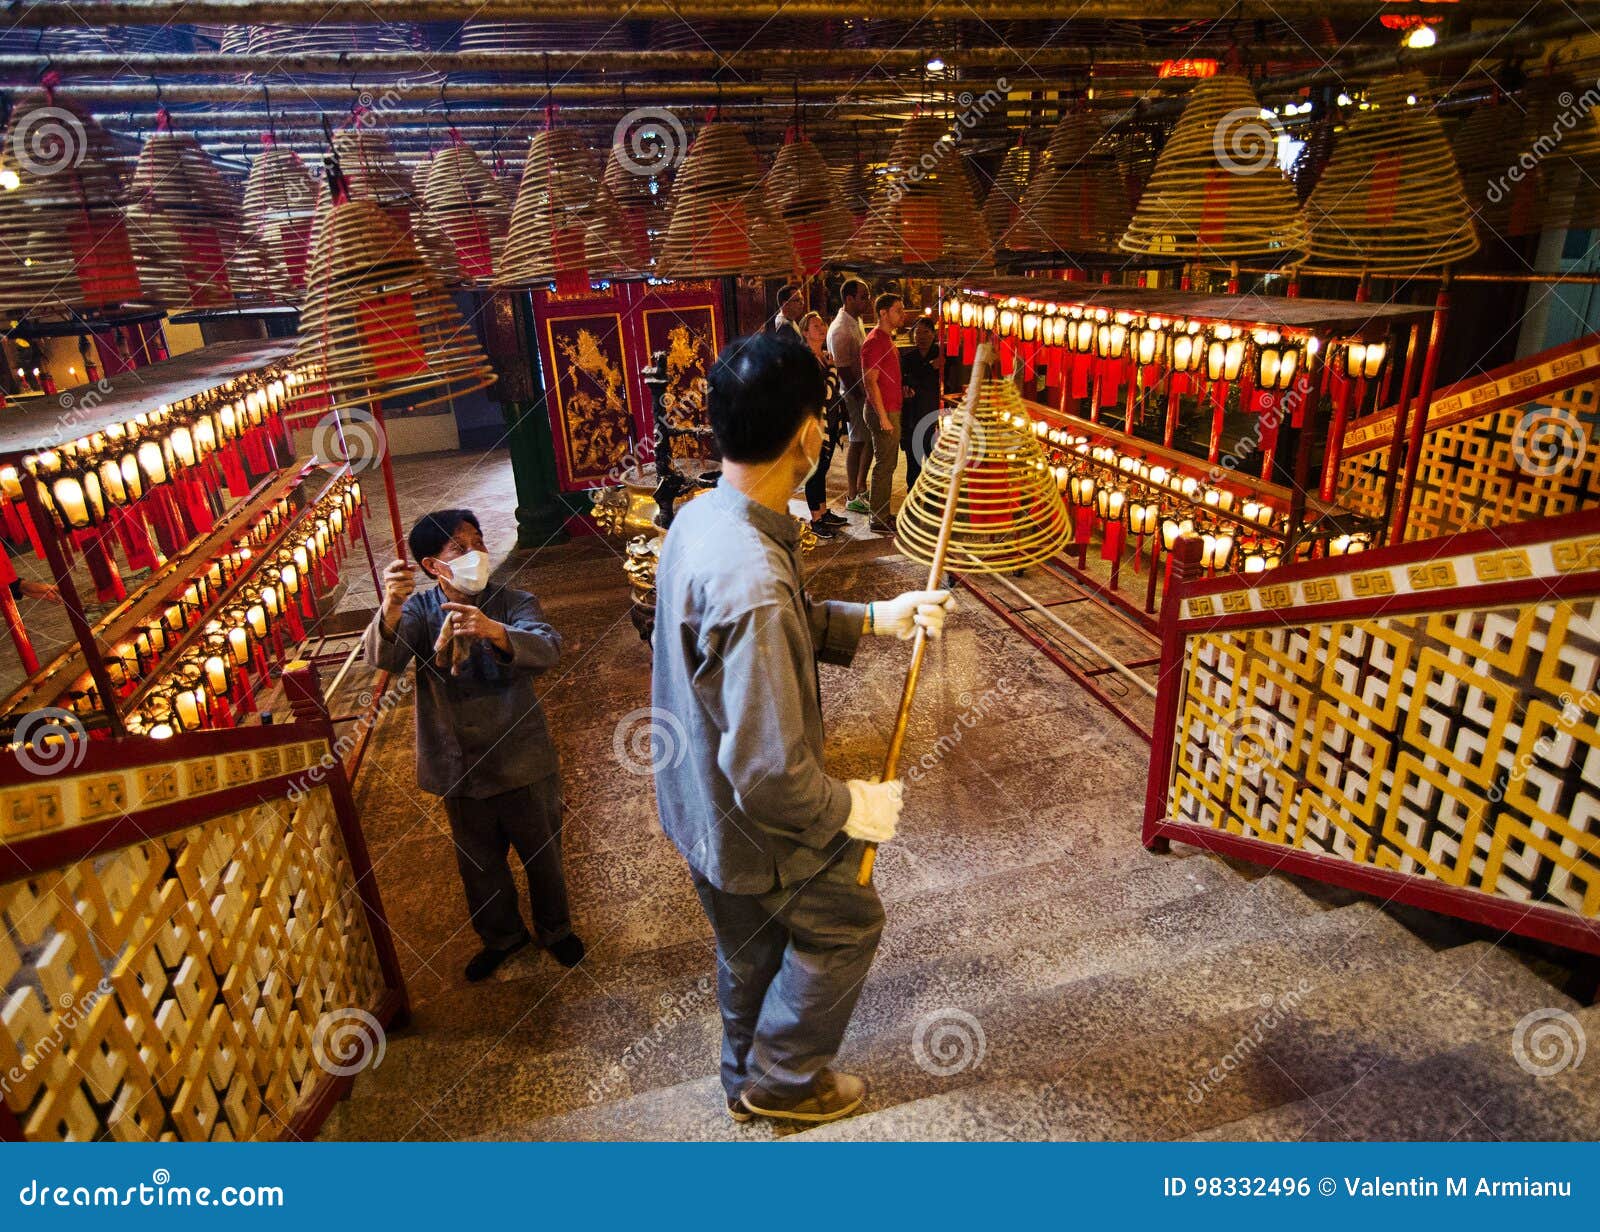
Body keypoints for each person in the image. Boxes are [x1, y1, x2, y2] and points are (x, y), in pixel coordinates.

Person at [652, 331, 955, 1125]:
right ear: (812, 434)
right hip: (756, 825)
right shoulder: (751, 577)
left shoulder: (702, 520)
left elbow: (761, 632)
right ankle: (784, 1080)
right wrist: (850, 806)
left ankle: (741, 1080)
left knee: (748, 950)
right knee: (847, 925)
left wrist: (875, 620)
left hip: (699, 809)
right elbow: (772, 775)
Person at [363, 509, 585, 982]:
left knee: (543, 854)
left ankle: (556, 928)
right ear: (432, 565)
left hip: (522, 756)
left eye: (479, 542)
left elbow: (547, 648)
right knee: (479, 863)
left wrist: (492, 630)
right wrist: (392, 607)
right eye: (459, 549)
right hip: (457, 761)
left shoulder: (513, 601)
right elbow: (385, 658)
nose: (476, 554)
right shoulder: (422, 612)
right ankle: (502, 936)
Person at [860, 292, 907, 535]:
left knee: (888, 463)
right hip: (883, 410)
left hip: (891, 407)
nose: (902, 314)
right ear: (883, 313)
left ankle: (883, 512)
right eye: (897, 310)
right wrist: (883, 417)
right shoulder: (875, 340)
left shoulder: (886, 339)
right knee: (884, 465)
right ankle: (878, 517)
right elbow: (870, 382)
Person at [799, 310, 848, 540]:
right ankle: (816, 519)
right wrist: (832, 369)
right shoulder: (807, 360)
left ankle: (823, 511)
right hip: (814, 425)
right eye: (815, 326)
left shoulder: (823, 357)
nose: (821, 327)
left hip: (828, 421)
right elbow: (824, 393)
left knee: (824, 467)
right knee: (814, 472)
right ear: (805, 332)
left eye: (822, 324)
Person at [826, 279, 871, 516]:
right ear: (849, 298)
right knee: (857, 441)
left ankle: (862, 487)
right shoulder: (841, 328)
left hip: (862, 390)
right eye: (863, 296)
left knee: (866, 440)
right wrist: (862, 395)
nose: (867, 301)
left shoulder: (856, 320)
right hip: (852, 393)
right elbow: (843, 369)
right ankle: (852, 494)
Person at [899, 315, 944, 494]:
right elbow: (908, 382)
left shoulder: (942, 356)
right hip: (914, 418)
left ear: (934, 334)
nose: (922, 337)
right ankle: (913, 499)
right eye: (918, 333)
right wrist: (930, 368)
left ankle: (934, 499)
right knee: (914, 464)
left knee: (936, 462)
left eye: (926, 332)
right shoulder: (908, 358)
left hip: (936, 418)